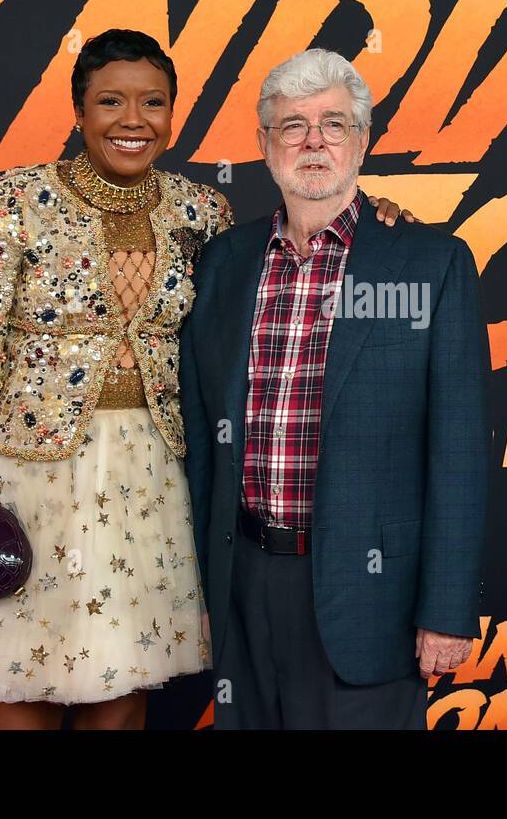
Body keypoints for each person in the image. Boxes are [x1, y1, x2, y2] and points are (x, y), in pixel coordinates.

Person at [0, 30, 415, 730]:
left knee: (122, 694)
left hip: (149, 485)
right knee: (16, 686)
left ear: (173, 114)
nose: (133, 120)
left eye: (152, 102)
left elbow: (290, 249)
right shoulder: (14, 203)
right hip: (27, 482)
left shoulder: (199, 212)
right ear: (78, 111)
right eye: (111, 102)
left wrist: (382, 221)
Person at [180, 48, 491, 729]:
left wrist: (445, 611)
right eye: (292, 125)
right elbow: (203, 441)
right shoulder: (224, 264)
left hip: (370, 595)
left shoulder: (431, 263)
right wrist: (202, 587)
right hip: (244, 584)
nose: (313, 141)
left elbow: (460, 455)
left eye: (334, 124)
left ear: (364, 139)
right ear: (265, 145)